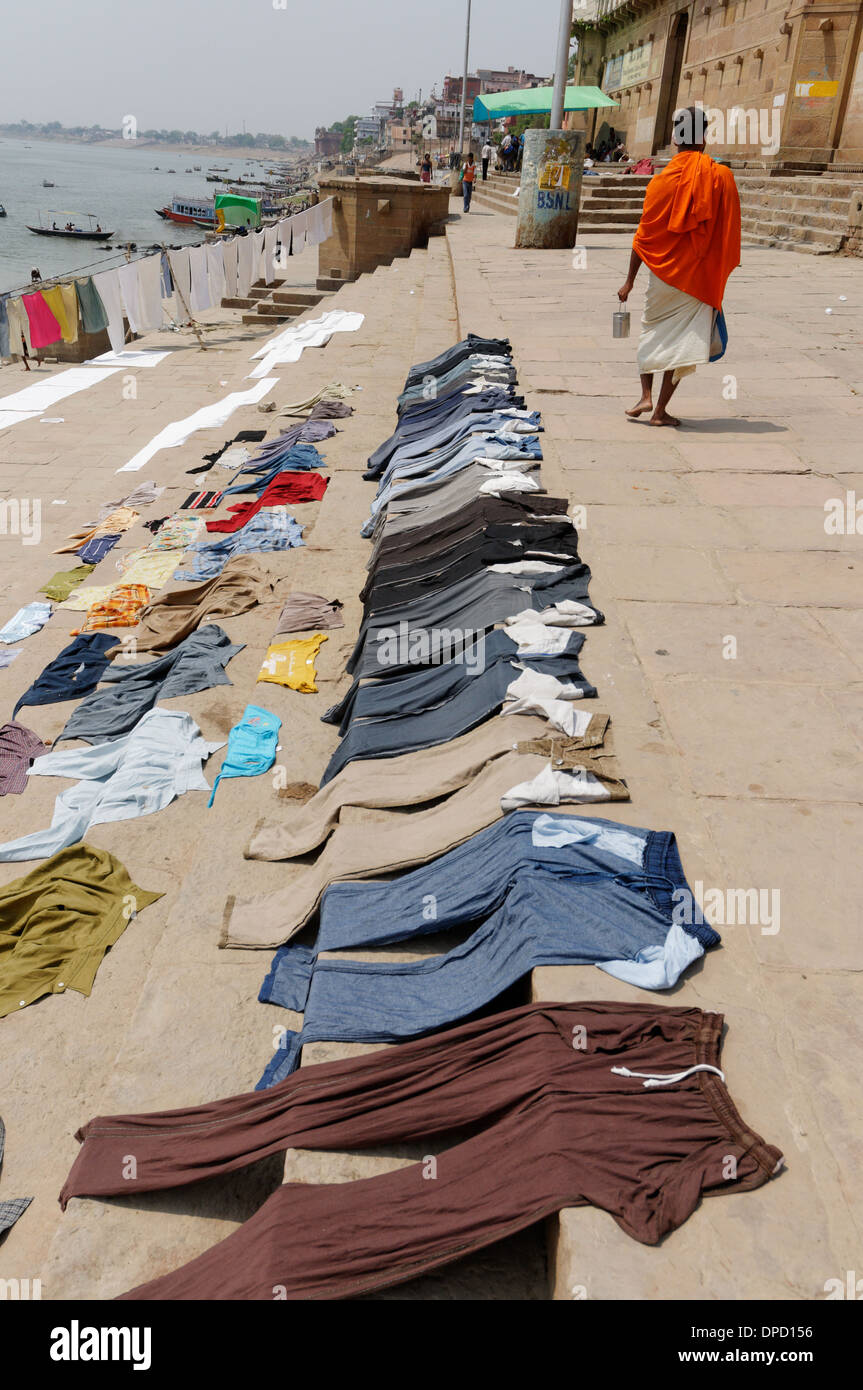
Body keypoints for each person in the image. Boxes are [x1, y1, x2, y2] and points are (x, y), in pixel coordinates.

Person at [617, 105, 741, 428]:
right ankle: (659, 411)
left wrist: (629, 281)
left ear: (674, 141)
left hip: (661, 276)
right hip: (695, 280)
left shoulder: (659, 183)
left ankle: (645, 395)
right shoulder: (719, 177)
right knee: (681, 345)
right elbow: (726, 230)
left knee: (650, 333)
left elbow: (642, 238)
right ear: (702, 140)